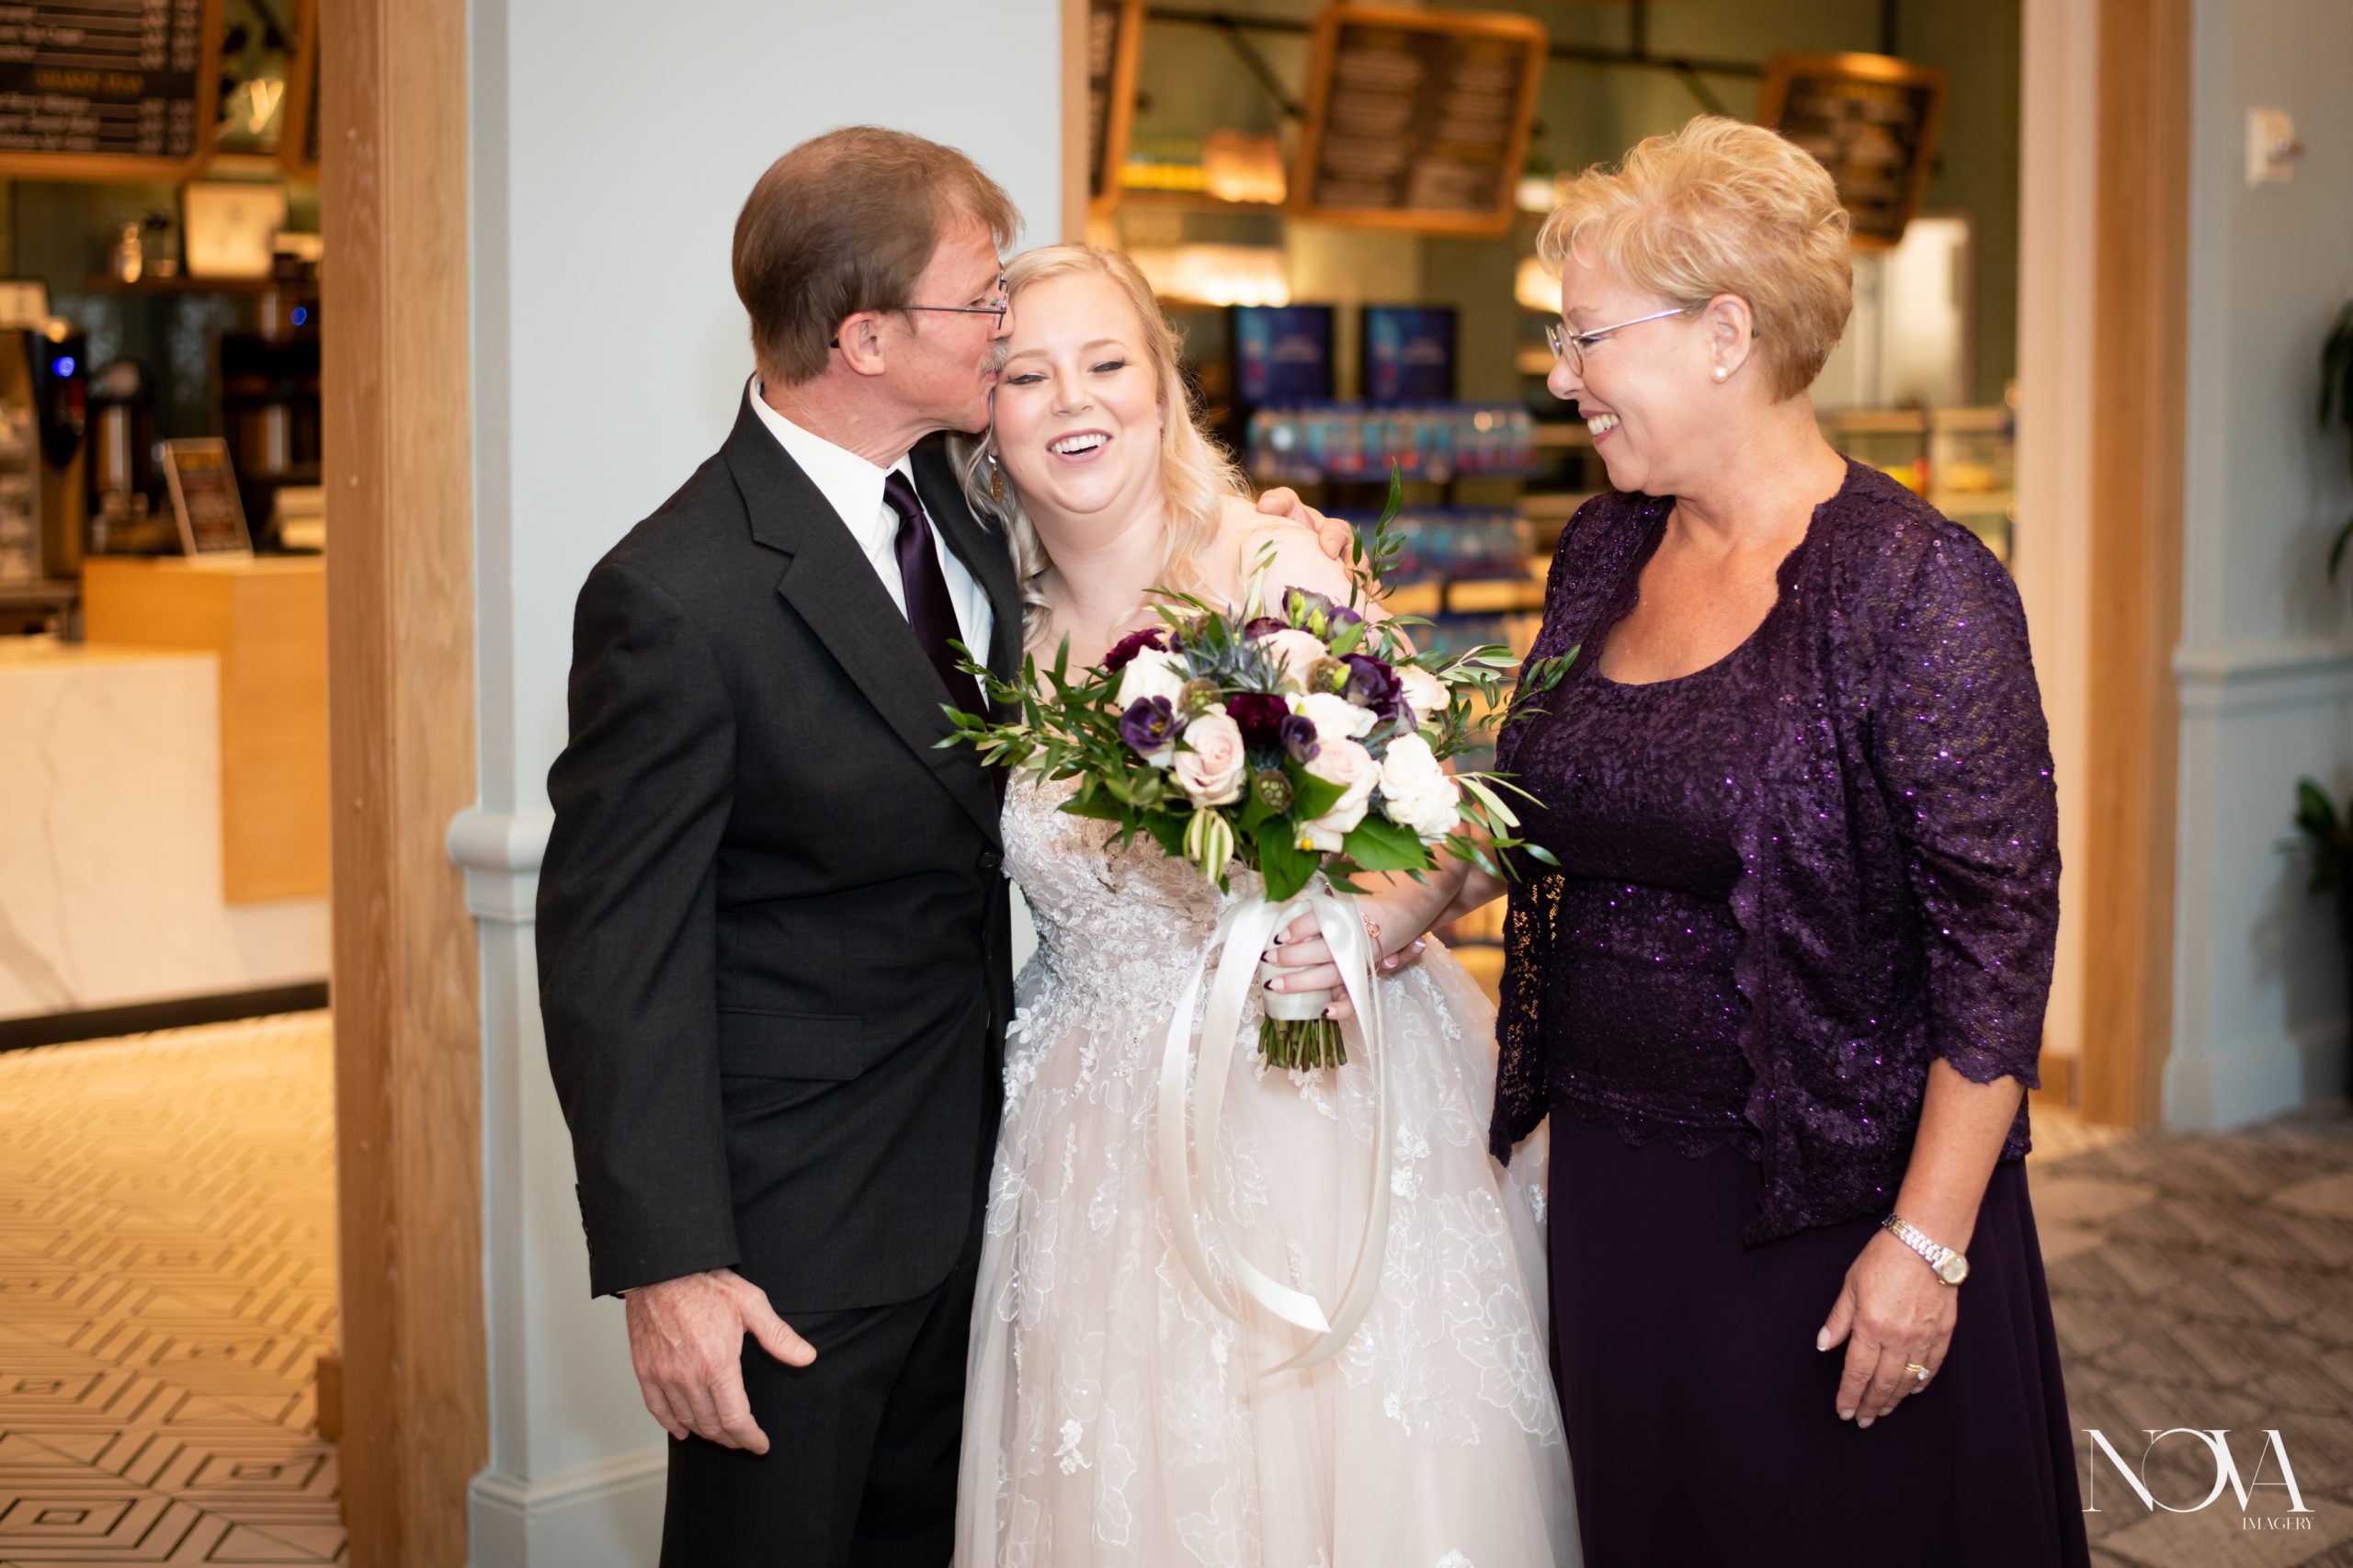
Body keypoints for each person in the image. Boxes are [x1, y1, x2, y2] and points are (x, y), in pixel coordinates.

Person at [1289, 116, 2090, 1564]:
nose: (1560, 375)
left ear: (1726, 333)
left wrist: (1926, 1244)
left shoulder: (1920, 591)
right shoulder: (1606, 545)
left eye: (1585, 336)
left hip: (1829, 1204)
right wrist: (1404, 905)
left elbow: (1997, 953)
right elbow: (1545, 798)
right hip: (1615, 1184)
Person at [535, 131, 1340, 1568]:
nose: (1005, 333)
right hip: (793, 1243)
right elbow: (611, 953)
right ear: (864, 337)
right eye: (983, 309)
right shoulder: (677, 593)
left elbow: (1146, 534)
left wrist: (1276, 558)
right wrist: (669, 1267)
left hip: (1008, 1191)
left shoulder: (974, 516)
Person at [946, 244, 1577, 1567]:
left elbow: (1446, 812)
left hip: (1313, 1095)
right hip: (1093, 1139)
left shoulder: (1272, 560)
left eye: (1108, 362)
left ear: (1164, 386)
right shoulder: (997, 629)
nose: (1076, 399)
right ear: (984, 415)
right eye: (1028, 372)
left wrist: (1368, 922)